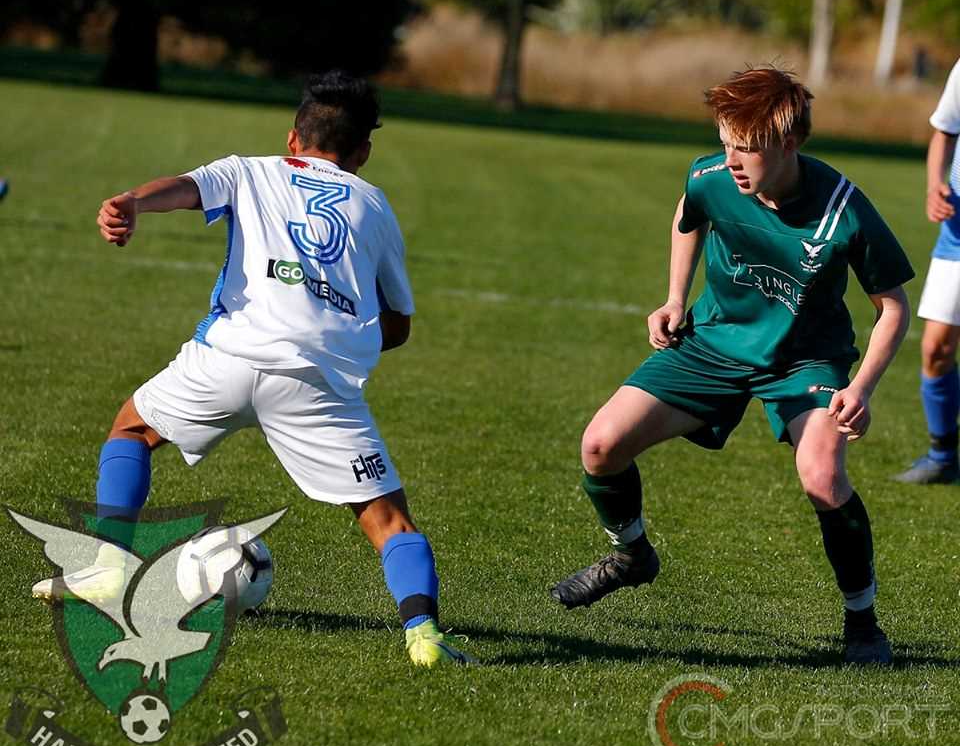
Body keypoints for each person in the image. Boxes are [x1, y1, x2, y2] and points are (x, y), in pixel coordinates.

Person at [32, 70, 471, 668]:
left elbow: (185, 188)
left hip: (227, 359)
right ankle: (424, 636)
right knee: (388, 520)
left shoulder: (249, 169)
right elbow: (398, 324)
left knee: (132, 429)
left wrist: (133, 201)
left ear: (293, 137)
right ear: (363, 152)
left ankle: (108, 567)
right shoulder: (374, 204)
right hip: (317, 386)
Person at [551, 67, 913, 665]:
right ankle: (631, 554)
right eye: (725, 144)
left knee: (822, 476)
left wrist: (862, 386)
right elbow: (688, 211)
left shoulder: (843, 208)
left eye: (745, 148)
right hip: (715, 342)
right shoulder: (713, 176)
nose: (732, 161)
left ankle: (863, 625)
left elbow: (892, 306)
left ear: (789, 142)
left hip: (805, 360)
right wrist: (674, 297)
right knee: (600, 446)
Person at [895, 57, 960, 483]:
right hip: (959, 234)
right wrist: (935, 182)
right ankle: (942, 456)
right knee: (935, 348)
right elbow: (945, 131)